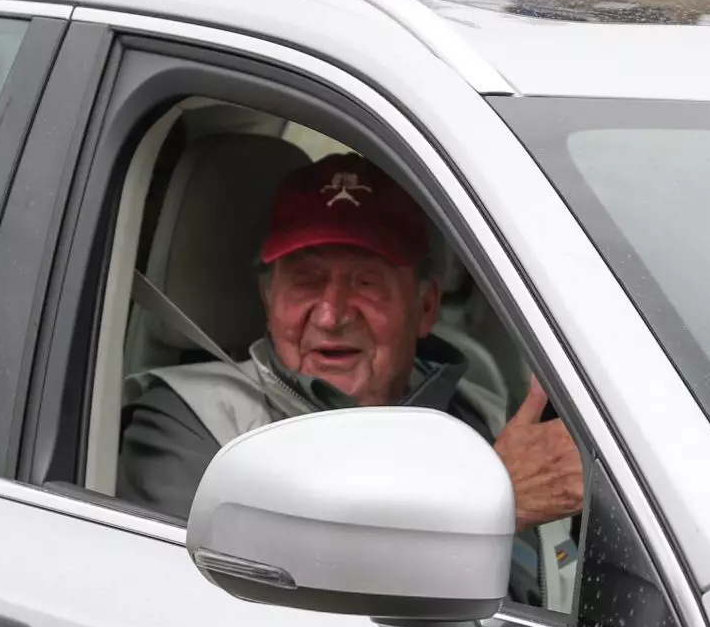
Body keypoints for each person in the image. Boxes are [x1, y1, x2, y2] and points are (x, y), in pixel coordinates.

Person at [116, 155, 586, 599]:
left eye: (366, 283)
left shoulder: (480, 415)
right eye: (306, 281)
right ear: (267, 298)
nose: (332, 314)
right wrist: (487, 504)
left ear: (425, 307)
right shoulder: (192, 423)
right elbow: (220, 617)